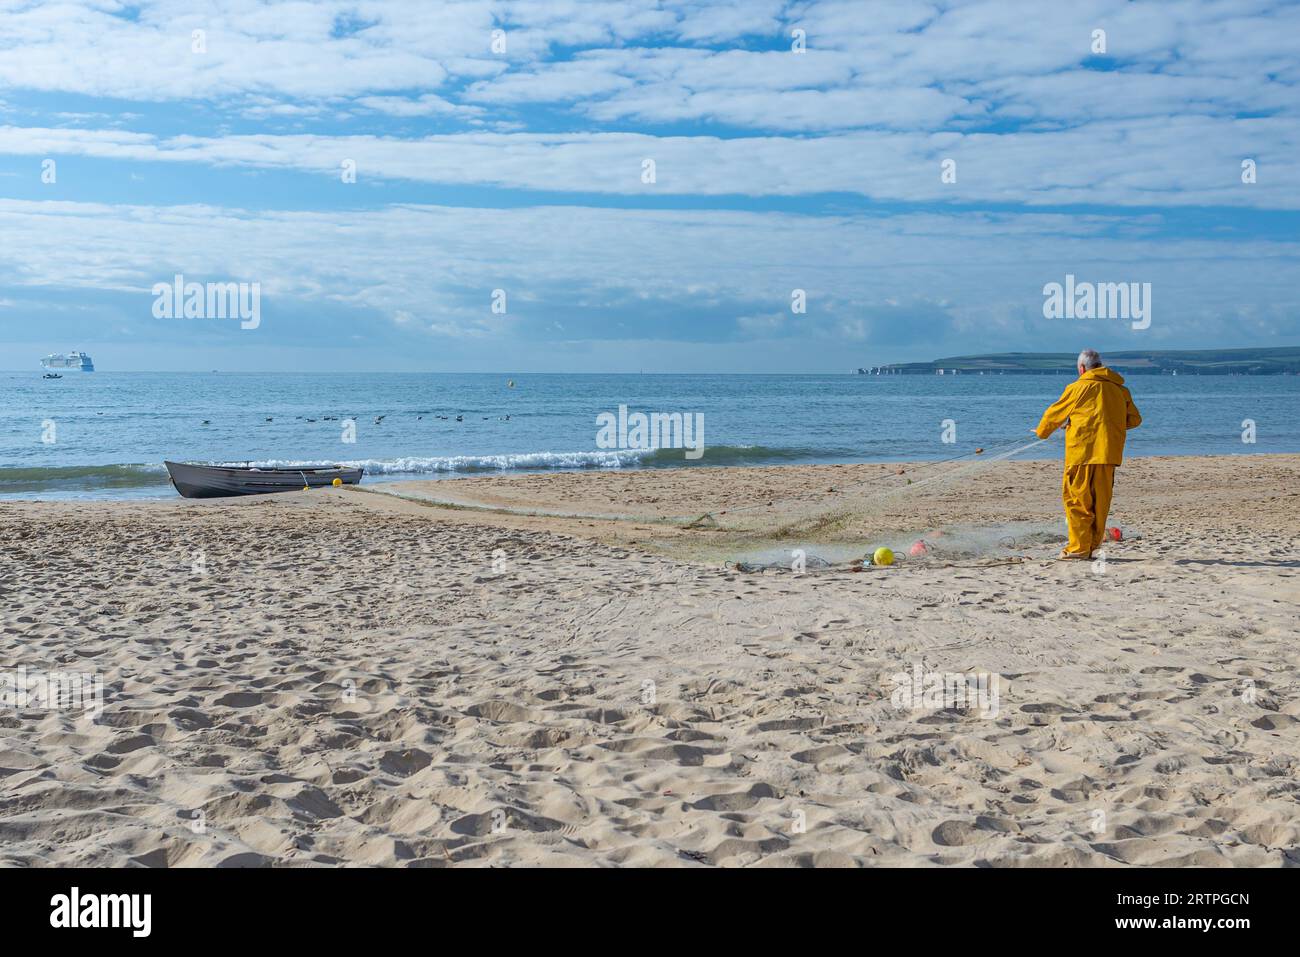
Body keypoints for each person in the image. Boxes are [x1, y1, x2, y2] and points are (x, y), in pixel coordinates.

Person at [1034, 349, 1142, 559]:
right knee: (1100, 504)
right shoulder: (1120, 390)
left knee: (1077, 502)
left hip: (1081, 455)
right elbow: (1135, 419)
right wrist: (1108, 426)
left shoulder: (1078, 387)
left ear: (1082, 368)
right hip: (1108, 455)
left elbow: (1052, 415)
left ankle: (1079, 549)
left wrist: (1041, 433)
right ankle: (1092, 547)